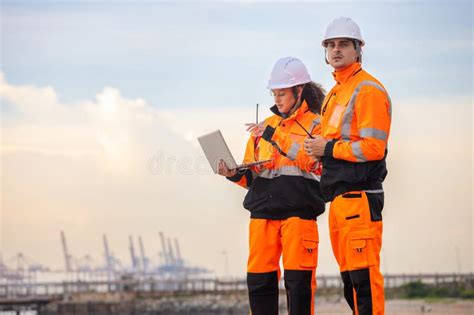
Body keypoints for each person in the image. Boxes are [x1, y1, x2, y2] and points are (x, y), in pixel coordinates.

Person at [217, 57, 326, 315]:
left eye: (282, 93)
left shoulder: (317, 125)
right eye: (274, 93)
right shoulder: (264, 127)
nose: (277, 99)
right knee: (259, 283)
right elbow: (253, 179)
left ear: (299, 91)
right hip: (262, 217)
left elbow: (316, 165)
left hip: (299, 216)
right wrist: (233, 174)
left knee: (299, 285)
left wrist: (277, 136)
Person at [304, 17, 392, 315]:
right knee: (350, 283)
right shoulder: (335, 93)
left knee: (364, 280)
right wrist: (319, 153)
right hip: (339, 200)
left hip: (360, 198)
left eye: (343, 44)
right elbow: (335, 145)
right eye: (331, 45)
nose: (336, 50)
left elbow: (372, 147)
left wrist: (326, 148)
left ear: (358, 49)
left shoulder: (366, 90)